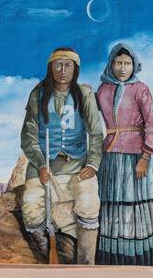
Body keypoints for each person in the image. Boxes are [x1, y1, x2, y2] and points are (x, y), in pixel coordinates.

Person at [19, 46, 104, 264]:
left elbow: (95, 133)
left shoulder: (84, 94)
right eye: (58, 65)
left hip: (77, 165)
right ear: (51, 68)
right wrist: (40, 164)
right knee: (30, 206)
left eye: (68, 65)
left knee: (88, 202)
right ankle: (47, 258)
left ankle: (86, 265)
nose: (63, 70)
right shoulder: (38, 95)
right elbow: (28, 135)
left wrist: (93, 164)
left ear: (75, 69)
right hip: (44, 167)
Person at [94, 43, 153, 265]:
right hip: (111, 158)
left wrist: (146, 156)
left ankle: (138, 260)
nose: (123, 68)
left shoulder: (141, 89)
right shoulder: (103, 89)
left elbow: (152, 123)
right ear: (111, 63)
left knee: (133, 207)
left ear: (134, 65)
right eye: (119, 62)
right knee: (112, 206)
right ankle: (112, 259)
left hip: (135, 158)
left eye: (127, 63)